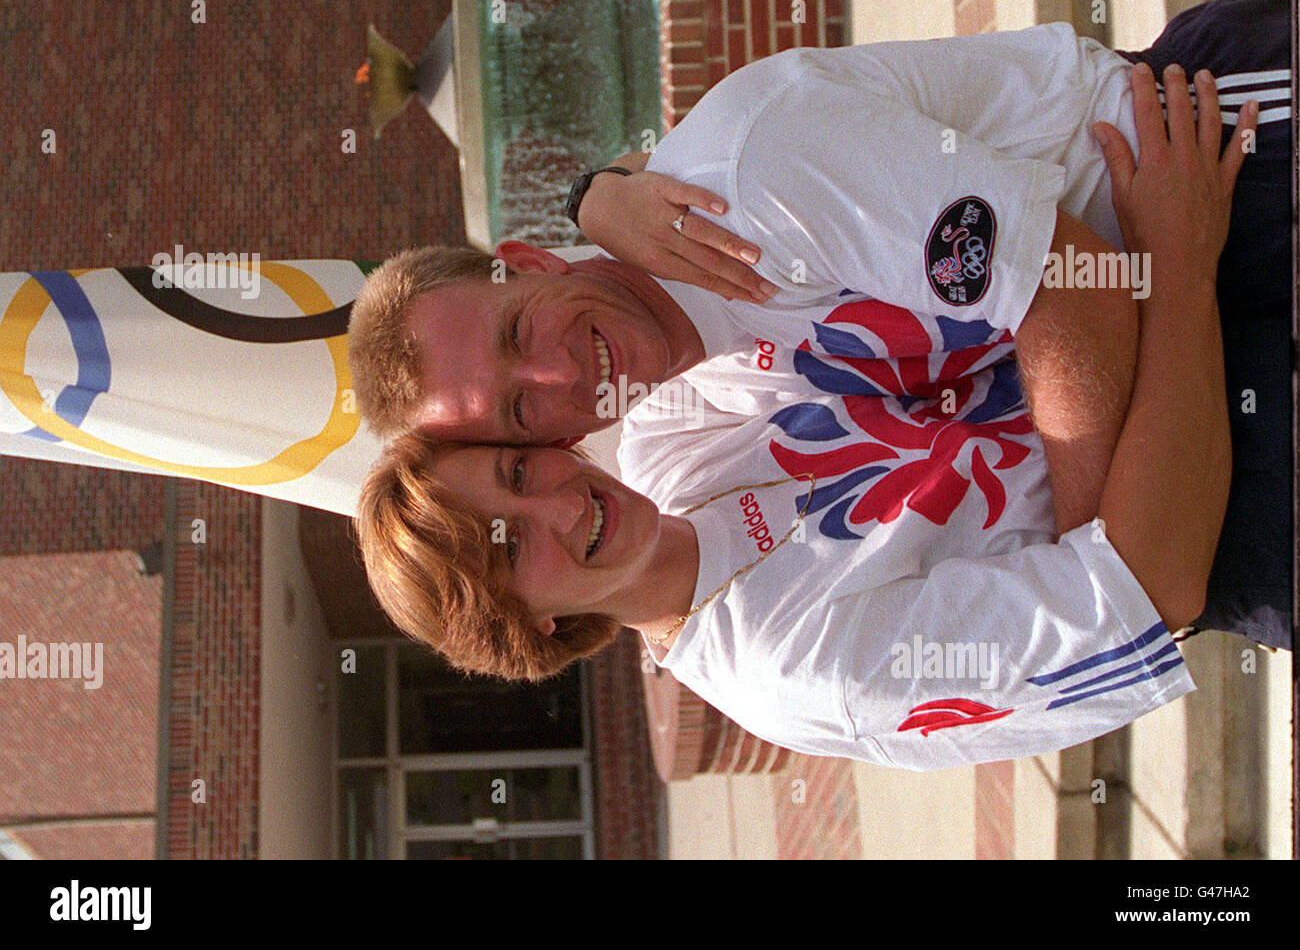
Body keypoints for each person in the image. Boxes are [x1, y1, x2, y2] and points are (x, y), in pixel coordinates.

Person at [353, 65, 1240, 765]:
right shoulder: (796, 670)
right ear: (536, 628)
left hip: (1201, 172)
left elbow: (1062, 297)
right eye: (513, 547)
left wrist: (604, 186)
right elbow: (1150, 588)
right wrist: (1177, 276)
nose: (555, 504)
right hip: (1230, 444)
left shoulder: (683, 425)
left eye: (516, 473)